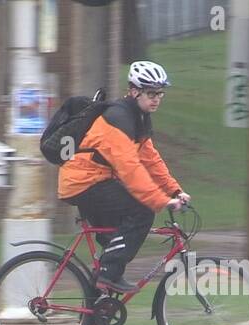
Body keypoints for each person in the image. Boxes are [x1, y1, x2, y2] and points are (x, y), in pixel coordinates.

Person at [58, 61, 191, 293]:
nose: (157, 98)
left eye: (160, 93)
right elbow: (131, 168)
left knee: (117, 245)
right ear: (134, 91)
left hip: (95, 180)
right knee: (142, 211)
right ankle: (106, 277)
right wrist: (160, 200)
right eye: (151, 93)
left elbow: (150, 159)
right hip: (84, 181)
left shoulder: (138, 117)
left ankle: (100, 308)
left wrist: (174, 190)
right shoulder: (118, 118)